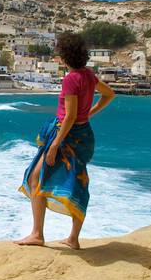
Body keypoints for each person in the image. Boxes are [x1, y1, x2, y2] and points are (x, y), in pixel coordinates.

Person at [16, 32, 117, 250]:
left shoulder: (71, 79)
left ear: (64, 56)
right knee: (79, 181)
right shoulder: (89, 75)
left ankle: (37, 234)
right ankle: (73, 238)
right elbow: (109, 94)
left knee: (35, 178)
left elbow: (69, 115)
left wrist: (54, 145)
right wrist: (89, 113)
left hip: (67, 135)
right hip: (84, 134)